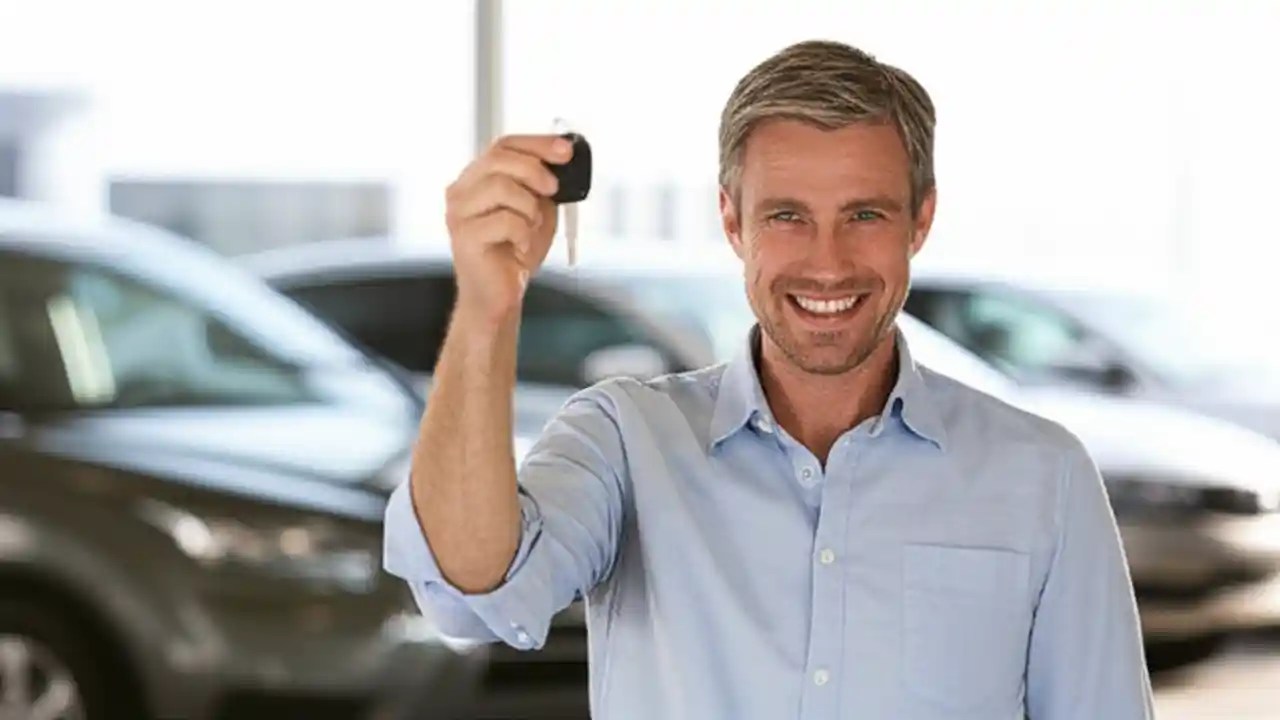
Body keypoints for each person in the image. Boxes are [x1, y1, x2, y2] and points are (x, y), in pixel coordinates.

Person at [383, 39, 1155, 719]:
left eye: (865, 215)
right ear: (733, 221)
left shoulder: (1043, 476)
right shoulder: (624, 441)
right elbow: (474, 590)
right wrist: (487, 308)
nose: (828, 262)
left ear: (920, 220)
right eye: (788, 216)